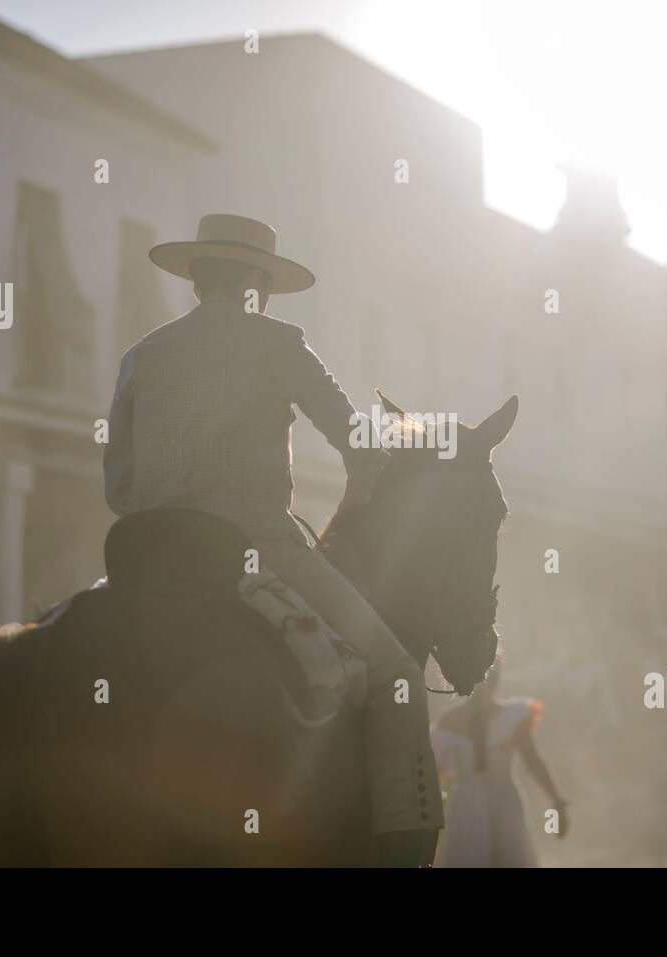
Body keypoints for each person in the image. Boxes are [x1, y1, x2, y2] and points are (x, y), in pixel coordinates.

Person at [103, 214, 439, 865]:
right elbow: (357, 441)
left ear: (199, 279)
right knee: (399, 676)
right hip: (255, 549)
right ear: (258, 280)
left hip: (144, 560)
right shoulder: (281, 343)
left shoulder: (140, 357)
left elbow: (119, 488)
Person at [430, 653, 566, 867]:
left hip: (501, 802)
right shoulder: (450, 723)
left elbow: (533, 761)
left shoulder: (511, 716)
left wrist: (558, 801)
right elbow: (433, 775)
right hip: (471, 805)